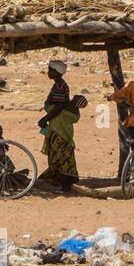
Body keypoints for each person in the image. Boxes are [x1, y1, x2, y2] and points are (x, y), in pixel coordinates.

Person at [38, 59, 87, 189]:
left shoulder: (60, 86)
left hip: (59, 126)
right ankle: (61, 181)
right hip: (58, 125)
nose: (48, 72)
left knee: (60, 153)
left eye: (50, 69)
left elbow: (59, 106)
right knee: (59, 153)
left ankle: (65, 182)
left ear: (56, 71)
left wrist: (45, 118)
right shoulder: (59, 85)